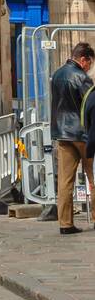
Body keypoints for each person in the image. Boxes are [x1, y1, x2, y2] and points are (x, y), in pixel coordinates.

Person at [49, 41, 95, 234]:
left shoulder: (57, 74)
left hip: (62, 133)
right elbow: (90, 106)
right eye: (90, 63)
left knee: (65, 180)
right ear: (83, 60)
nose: (90, 67)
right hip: (82, 134)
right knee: (93, 177)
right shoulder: (82, 78)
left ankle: (65, 223)